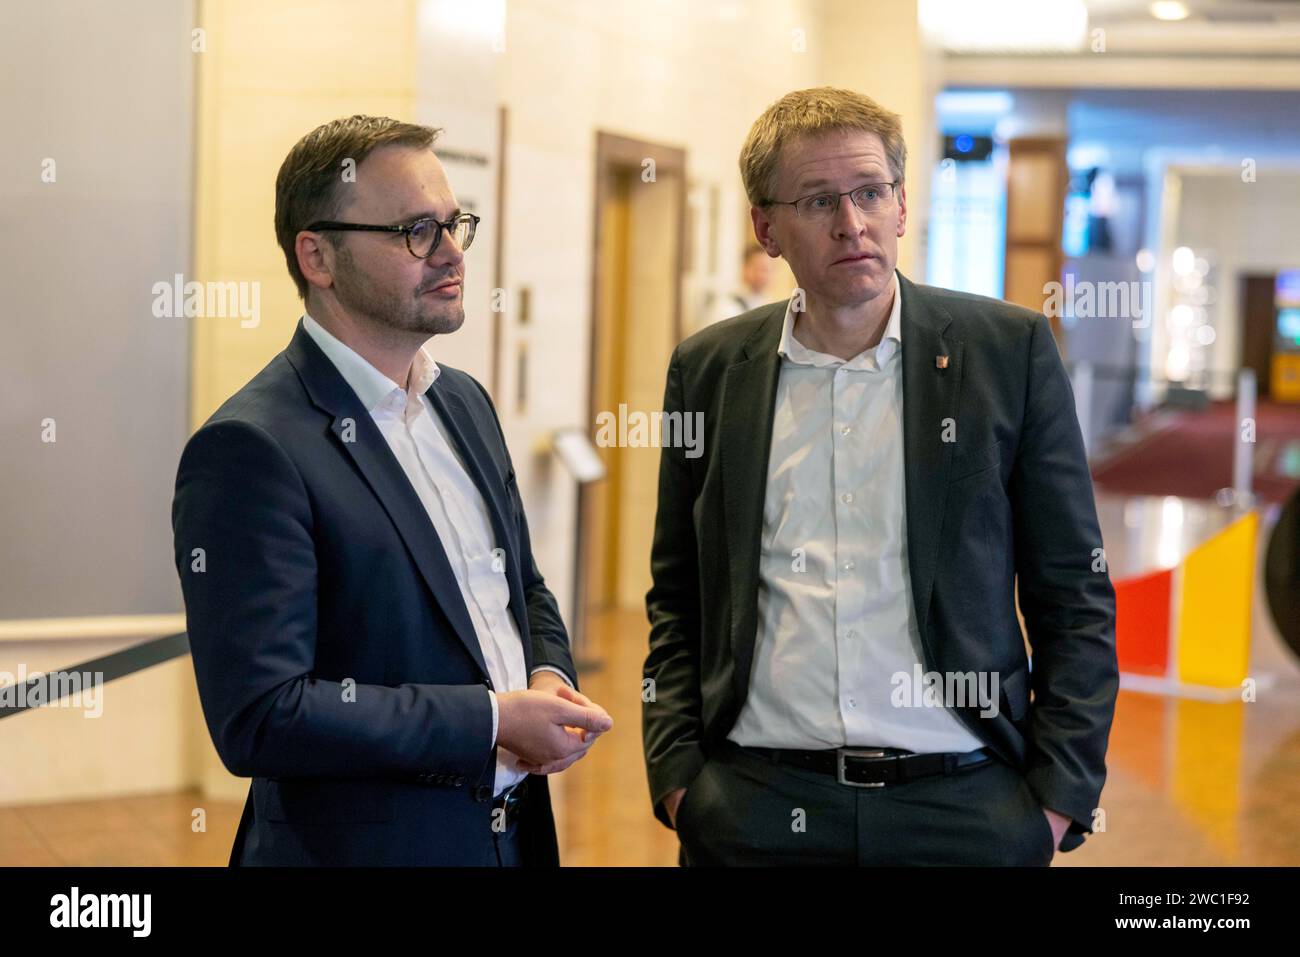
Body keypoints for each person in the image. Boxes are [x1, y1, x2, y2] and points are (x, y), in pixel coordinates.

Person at [642, 87, 1118, 866]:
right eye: (819, 199)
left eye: (870, 192)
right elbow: (677, 592)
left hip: (964, 810)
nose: (851, 222)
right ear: (767, 227)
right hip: (756, 807)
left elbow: (1074, 591)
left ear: (901, 205)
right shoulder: (709, 371)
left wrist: (1058, 799)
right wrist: (679, 777)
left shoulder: (1007, 354)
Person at [173, 115, 612, 866]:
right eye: (415, 230)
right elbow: (263, 715)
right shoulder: (251, 447)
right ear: (317, 255)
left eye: (454, 223)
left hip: (511, 836)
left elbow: (521, 588)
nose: (451, 254)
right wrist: (491, 720)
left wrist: (548, 677)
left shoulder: (464, 402)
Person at [709, 243, 776, 326]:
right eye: (758, 268)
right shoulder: (726, 307)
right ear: (744, 268)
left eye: (768, 270)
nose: (763, 275)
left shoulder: (770, 307)